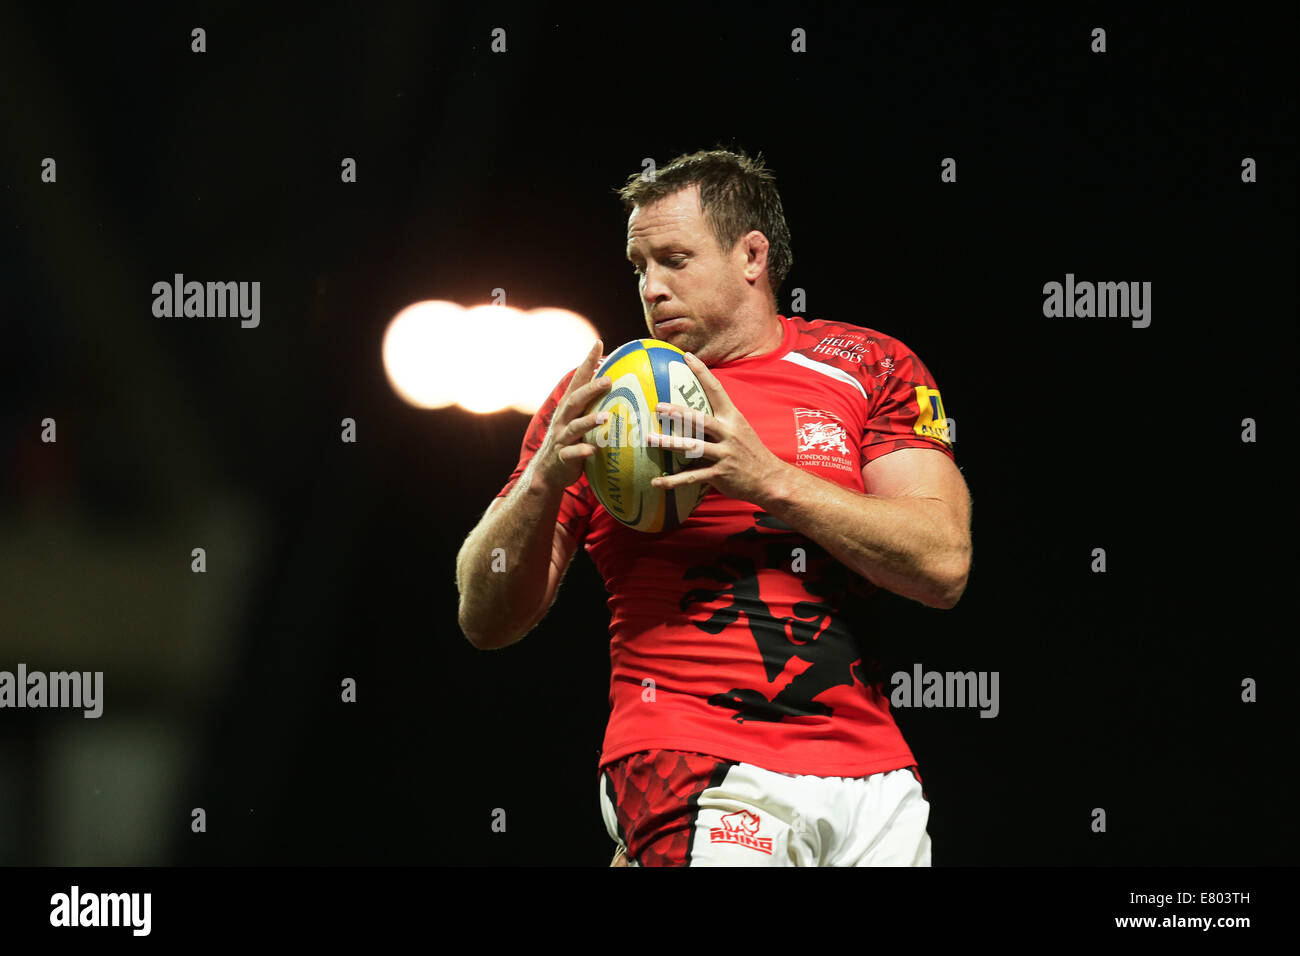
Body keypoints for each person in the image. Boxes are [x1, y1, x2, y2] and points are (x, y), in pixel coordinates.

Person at [455, 148, 972, 866]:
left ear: (752, 255)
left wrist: (769, 480)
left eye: (674, 259)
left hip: (874, 779)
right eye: (640, 267)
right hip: (695, 759)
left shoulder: (868, 366)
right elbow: (483, 618)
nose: (652, 288)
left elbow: (942, 565)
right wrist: (544, 472)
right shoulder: (604, 400)